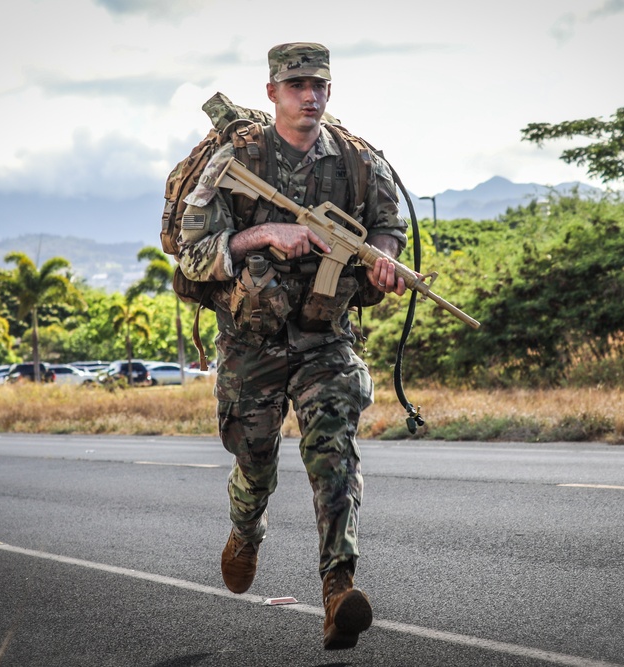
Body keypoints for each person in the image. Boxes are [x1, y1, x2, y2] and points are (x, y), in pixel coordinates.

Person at [177, 42, 408, 650]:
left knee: (333, 452)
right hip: (251, 340)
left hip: (325, 338)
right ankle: (244, 532)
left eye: (320, 86)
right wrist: (264, 233)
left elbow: (390, 226)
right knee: (255, 462)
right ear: (273, 92)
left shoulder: (359, 162)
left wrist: (383, 259)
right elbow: (193, 255)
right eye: (298, 84)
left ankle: (338, 591)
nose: (311, 96)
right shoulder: (237, 158)